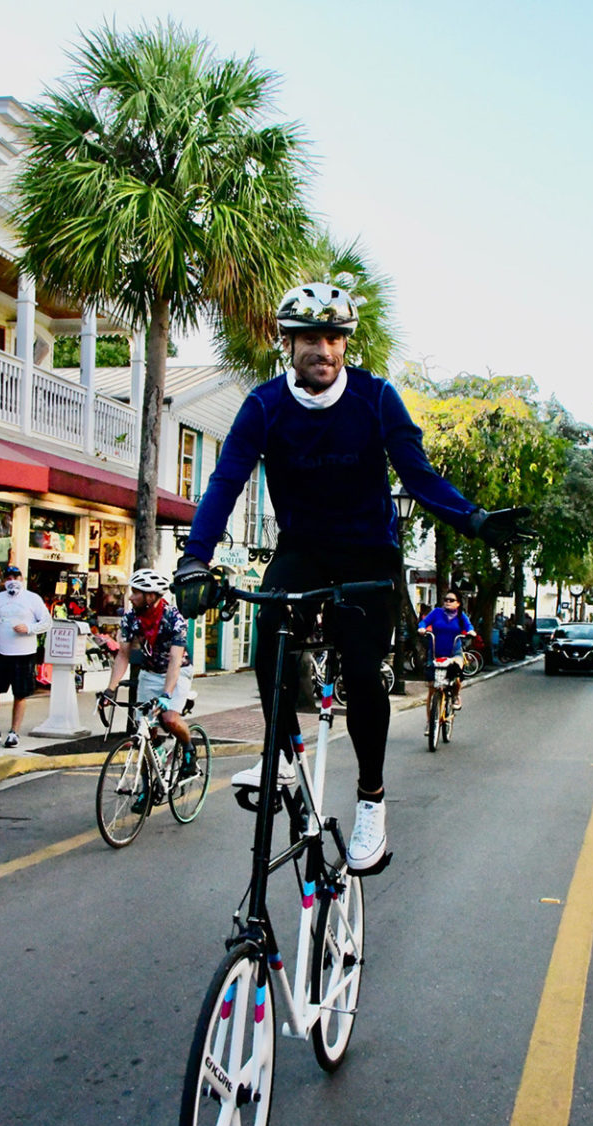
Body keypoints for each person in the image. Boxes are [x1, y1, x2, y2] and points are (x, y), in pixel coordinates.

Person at [173, 282, 531, 872]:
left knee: (364, 673)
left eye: (334, 338)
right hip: (303, 548)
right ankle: (281, 754)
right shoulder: (264, 405)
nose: (324, 350)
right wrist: (195, 556)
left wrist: (472, 518)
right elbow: (225, 482)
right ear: (288, 343)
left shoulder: (376, 397)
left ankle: (371, 801)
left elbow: (417, 475)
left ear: (346, 344)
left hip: (369, 553)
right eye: (311, 338)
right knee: (271, 635)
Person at [99, 569, 199, 811]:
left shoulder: (174, 618)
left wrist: (167, 694)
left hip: (177, 672)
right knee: (145, 733)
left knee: (169, 718)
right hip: (149, 673)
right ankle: (147, 788)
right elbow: (123, 655)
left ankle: (188, 748)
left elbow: (175, 660)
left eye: (136, 592)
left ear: (151, 596)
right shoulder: (130, 618)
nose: (131, 596)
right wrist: (110, 689)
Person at [0, 565, 52, 748]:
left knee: (20, 693)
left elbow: (47, 622)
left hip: (24, 653)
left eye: (16, 577)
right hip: (1, 653)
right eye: (9, 578)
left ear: (22, 579)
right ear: (4, 581)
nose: (12, 581)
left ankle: (14, 732)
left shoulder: (32, 599)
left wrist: (29, 628)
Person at [418, 590, 472, 730]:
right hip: (435, 653)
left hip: (454, 652)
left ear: (458, 603)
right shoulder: (436, 613)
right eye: (446, 599)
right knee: (432, 688)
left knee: (457, 674)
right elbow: (424, 622)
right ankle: (430, 722)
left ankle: (456, 696)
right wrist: (422, 628)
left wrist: (471, 632)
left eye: (451, 600)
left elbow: (469, 627)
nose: (447, 602)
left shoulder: (461, 616)